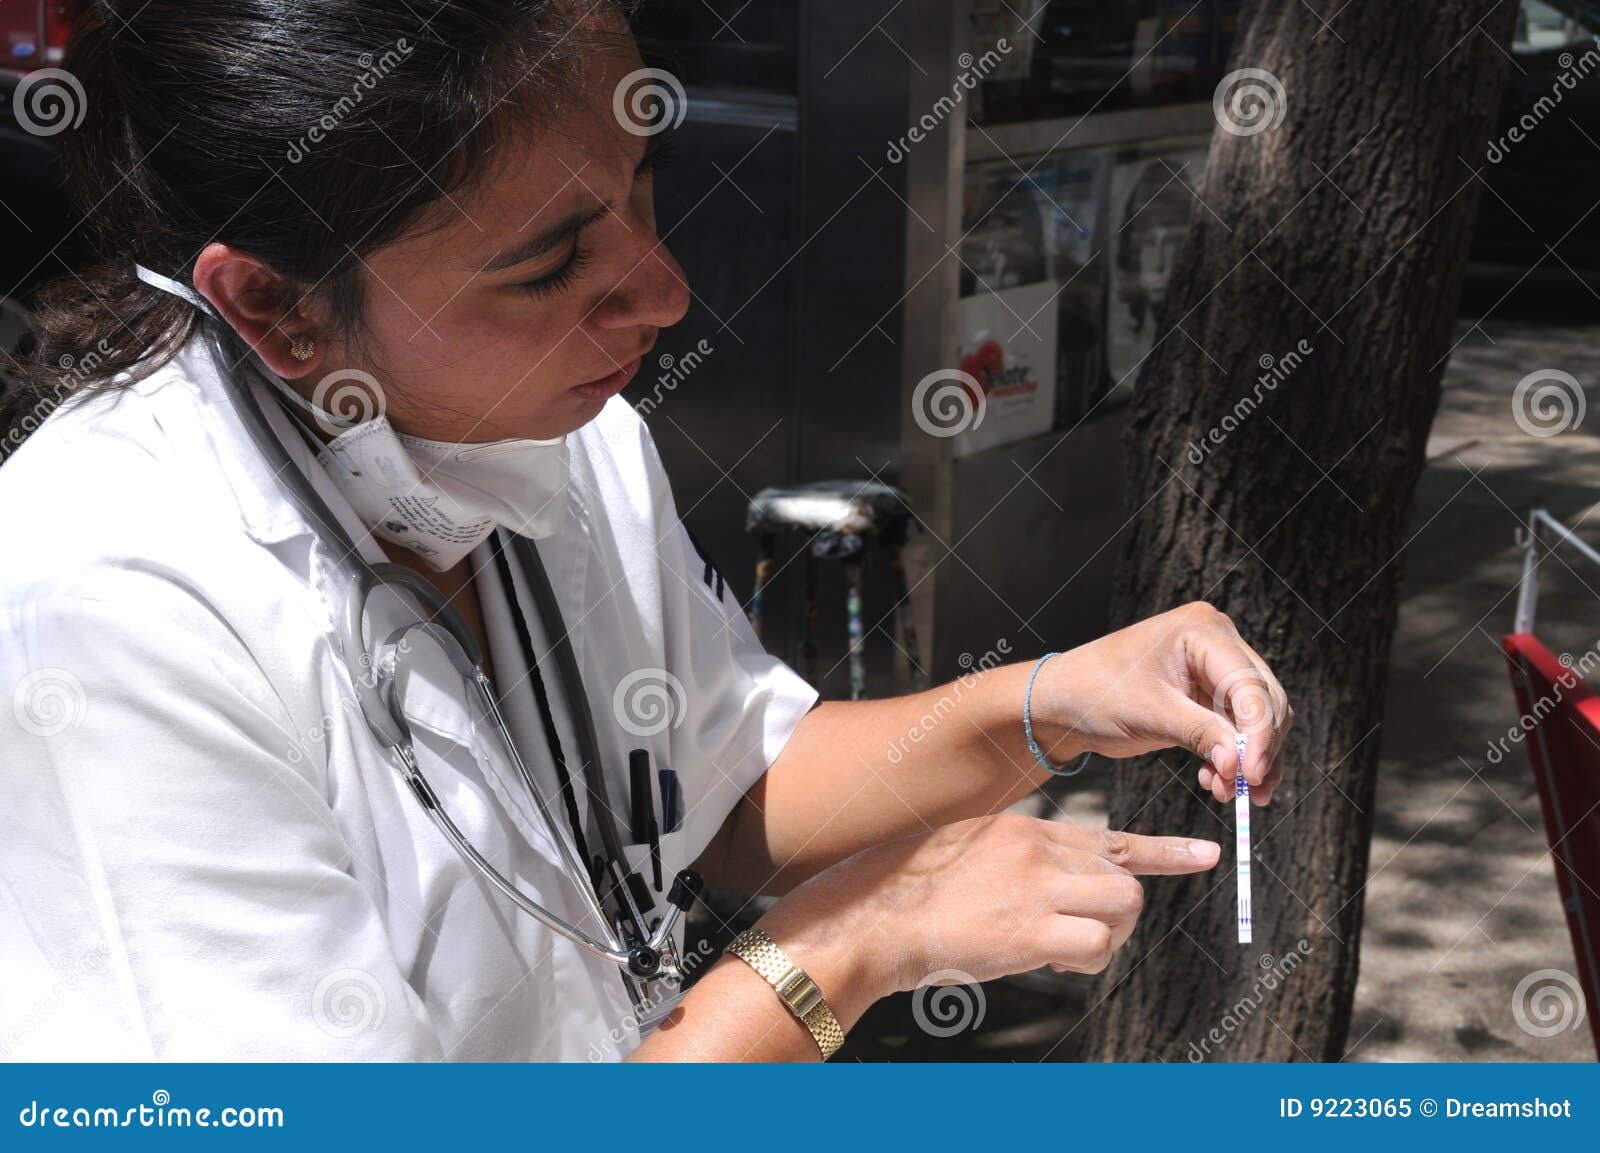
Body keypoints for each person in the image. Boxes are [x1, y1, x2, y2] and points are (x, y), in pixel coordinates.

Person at [0, 1, 1290, 1062]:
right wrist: (849, 945)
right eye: (553, 264)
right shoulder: (108, 606)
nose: (664, 293)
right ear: (277, 310)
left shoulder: (550, 434)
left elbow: (727, 785)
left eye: (639, 183)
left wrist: (1056, 700)